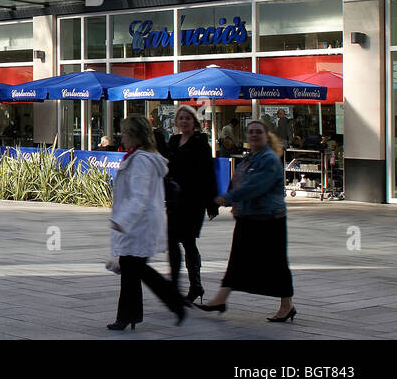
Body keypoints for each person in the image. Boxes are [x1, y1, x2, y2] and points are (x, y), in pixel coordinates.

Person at [196, 120, 295, 322]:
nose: (254, 135)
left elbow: (256, 186)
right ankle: (220, 299)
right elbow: (239, 181)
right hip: (249, 217)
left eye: (258, 132)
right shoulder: (251, 158)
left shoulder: (268, 159)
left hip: (269, 218)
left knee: (276, 263)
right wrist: (235, 202)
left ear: (266, 136)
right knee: (237, 261)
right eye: (250, 132)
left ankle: (287, 305)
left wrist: (229, 198)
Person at [106, 115, 187, 331]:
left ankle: (174, 303)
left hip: (139, 224)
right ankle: (128, 316)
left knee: (139, 271)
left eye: (124, 132)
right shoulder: (137, 157)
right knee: (132, 271)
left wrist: (123, 221)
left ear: (133, 135)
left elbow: (139, 196)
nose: (122, 136)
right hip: (139, 223)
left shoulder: (141, 160)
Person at [164, 105, 218, 303]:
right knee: (171, 240)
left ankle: (195, 283)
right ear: (177, 122)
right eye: (181, 118)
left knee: (187, 241)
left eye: (188, 118)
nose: (184, 121)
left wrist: (212, 203)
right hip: (175, 200)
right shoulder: (173, 141)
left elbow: (208, 174)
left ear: (194, 122)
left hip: (193, 201)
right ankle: (178, 282)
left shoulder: (200, 144)